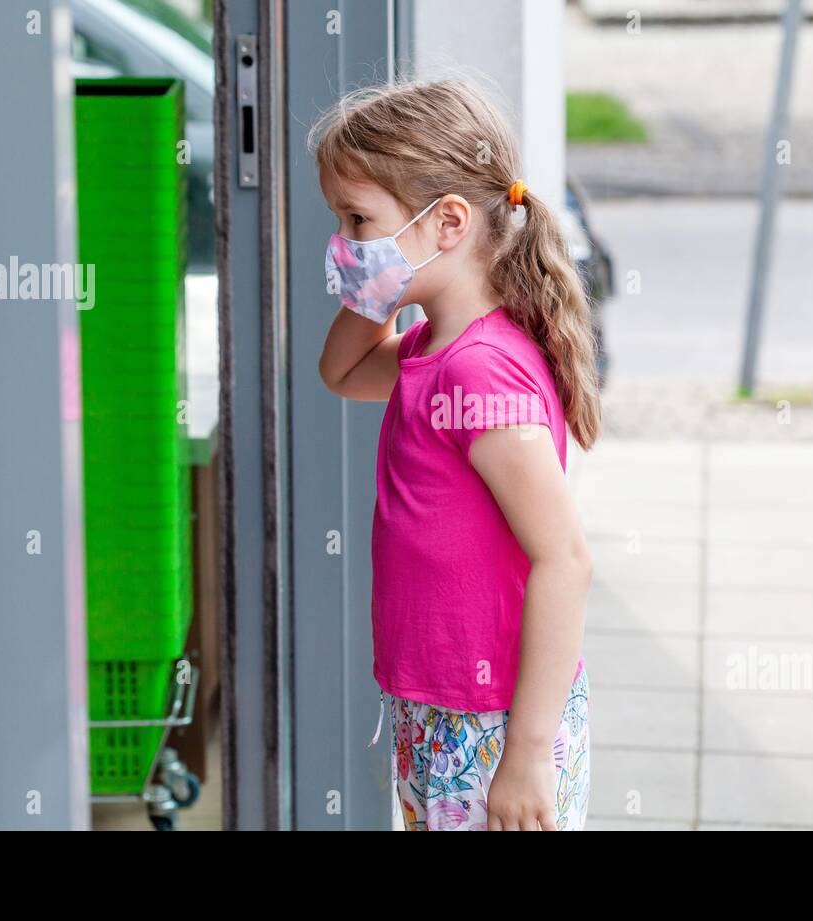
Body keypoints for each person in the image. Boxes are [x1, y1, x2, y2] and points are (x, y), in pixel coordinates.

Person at [313, 78, 601, 831]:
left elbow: (565, 557)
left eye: (357, 220)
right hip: (442, 710)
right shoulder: (429, 348)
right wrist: (374, 282)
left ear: (447, 222)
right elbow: (341, 372)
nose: (342, 244)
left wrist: (529, 754)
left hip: (494, 727)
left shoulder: (477, 369)